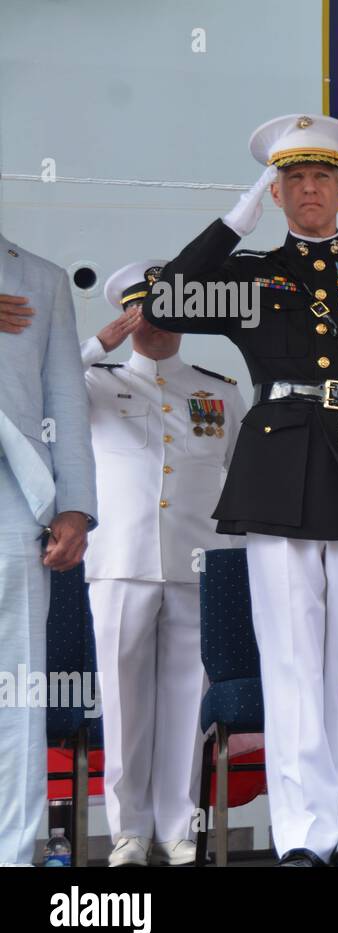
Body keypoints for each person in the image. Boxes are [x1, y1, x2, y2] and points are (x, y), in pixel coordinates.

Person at [146, 114, 338, 867]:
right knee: (290, 657)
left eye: (323, 178)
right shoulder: (246, 277)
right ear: (275, 194)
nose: (311, 191)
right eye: (293, 181)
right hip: (277, 470)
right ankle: (303, 830)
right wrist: (228, 224)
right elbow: (167, 304)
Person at [82, 261, 245, 866]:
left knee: (185, 702)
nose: (156, 323)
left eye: (170, 309)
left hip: (195, 564)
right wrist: (99, 342)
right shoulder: (94, 381)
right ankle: (128, 831)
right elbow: (21, 383)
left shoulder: (220, 391)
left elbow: (239, 484)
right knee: (122, 702)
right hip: (120, 563)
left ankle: (178, 826)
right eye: (144, 311)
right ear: (127, 316)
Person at [0, 231, 97, 866]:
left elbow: (66, 397)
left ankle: (11, 852)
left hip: (15, 503)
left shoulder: (39, 276)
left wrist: (76, 506)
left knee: (16, 690)